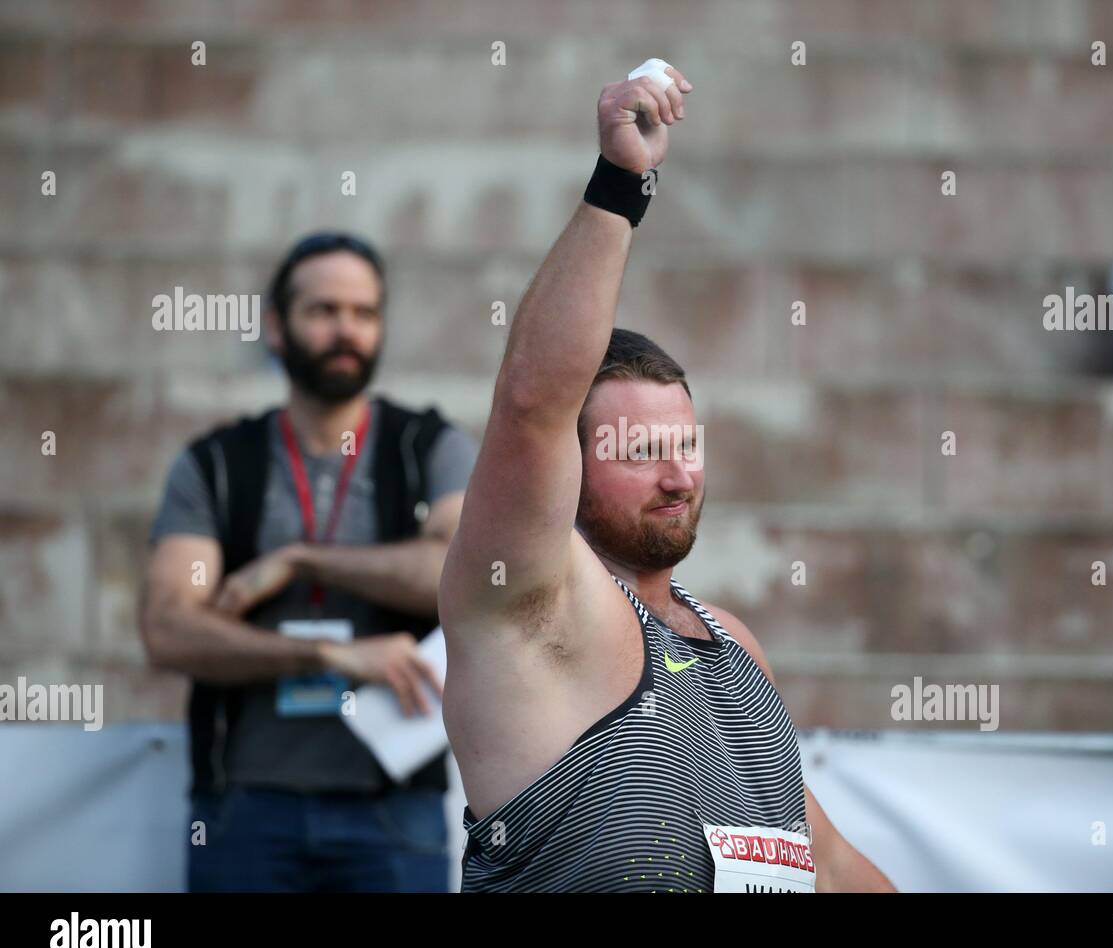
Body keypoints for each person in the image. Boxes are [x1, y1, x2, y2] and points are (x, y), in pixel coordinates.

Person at [439, 60, 896, 892]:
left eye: (687, 445)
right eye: (641, 453)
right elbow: (534, 403)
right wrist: (620, 185)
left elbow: (826, 866)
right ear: (569, 474)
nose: (679, 476)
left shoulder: (731, 645)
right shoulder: (536, 606)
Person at [139, 231, 477, 892]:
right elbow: (167, 627)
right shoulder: (218, 465)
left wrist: (301, 560)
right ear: (275, 326)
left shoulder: (427, 448)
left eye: (364, 313)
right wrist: (325, 657)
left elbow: (462, 580)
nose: (345, 330)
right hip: (244, 807)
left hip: (395, 807)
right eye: (323, 311)